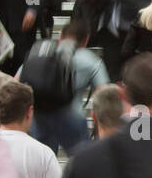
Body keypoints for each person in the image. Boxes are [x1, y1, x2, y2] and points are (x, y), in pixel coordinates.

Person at [30, 17, 108, 158]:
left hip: (40, 116)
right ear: (85, 40)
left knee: (42, 161)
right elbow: (104, 94)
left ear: (60, 36)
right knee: (83, 163)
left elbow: (17, 82)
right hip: (72, 117)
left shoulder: (41, 53)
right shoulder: (91, 60)